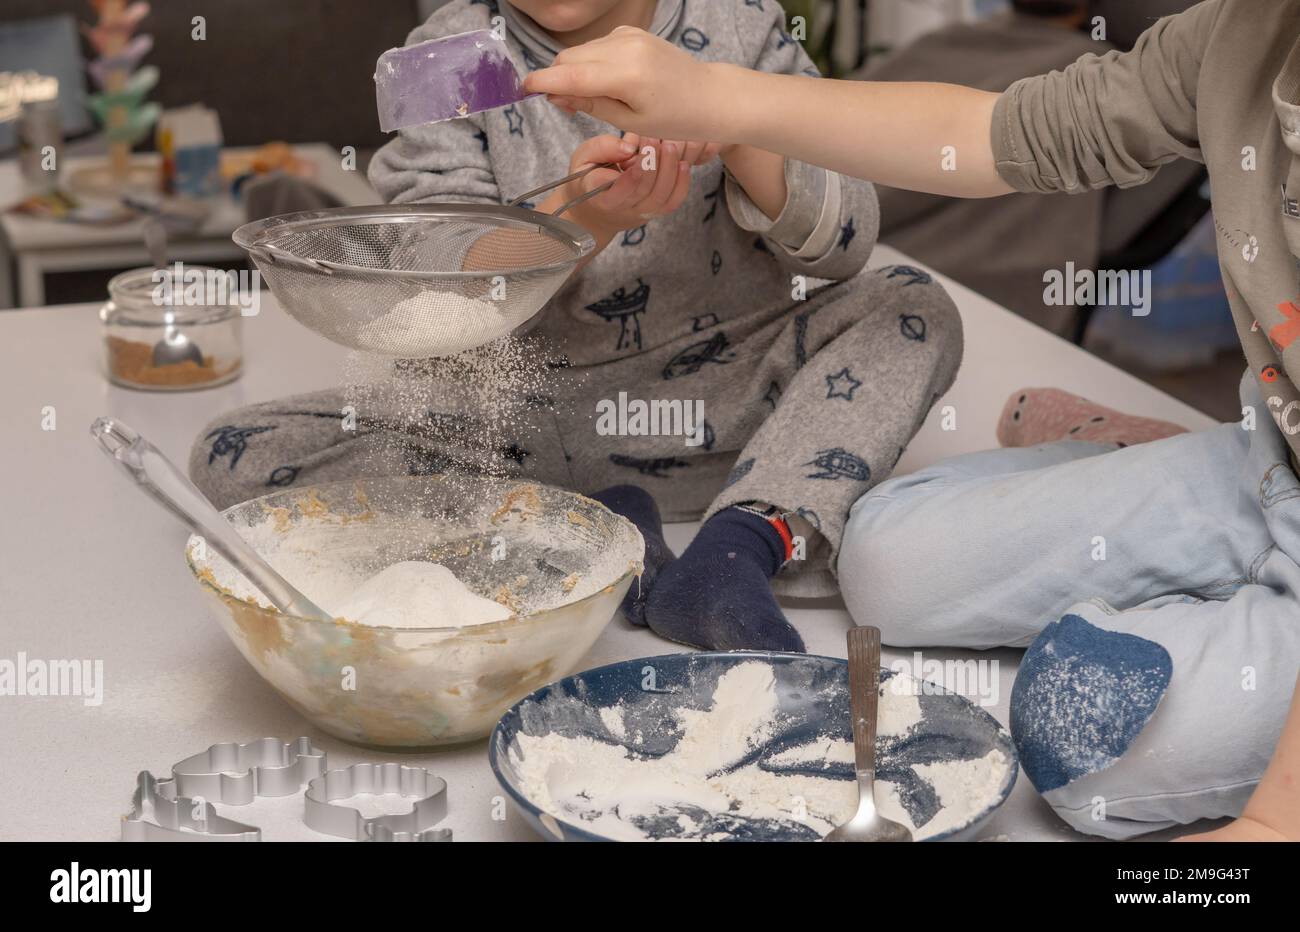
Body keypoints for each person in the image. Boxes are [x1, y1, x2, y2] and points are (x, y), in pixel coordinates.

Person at [522, 0, 1300, 840]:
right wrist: (714, 97)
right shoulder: (1241, 33)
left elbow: (837, 238)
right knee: (887, 563)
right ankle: (1174, 483)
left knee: (1083, 733)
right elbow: (1006, 132)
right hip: (1270, 464)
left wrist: (1271, 823)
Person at [187, 0, 963, 654]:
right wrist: (580, 218)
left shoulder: (740, 23)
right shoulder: (448, 55)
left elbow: (846, 243)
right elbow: (438, 295)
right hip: (516, 420)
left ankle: (739, 546)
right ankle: (585, 526)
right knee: (235, 454)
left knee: (912, 306)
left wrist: (732, 123)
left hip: (730, 406)